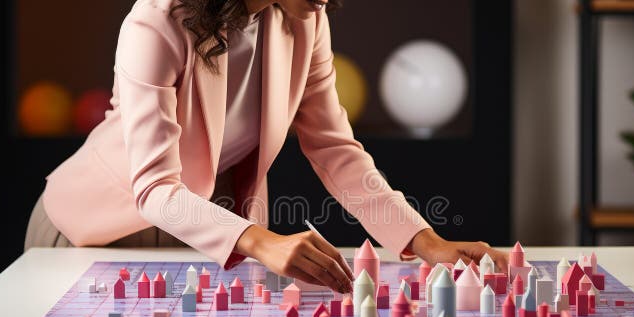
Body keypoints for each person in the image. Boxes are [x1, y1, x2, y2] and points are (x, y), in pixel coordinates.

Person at [25, 0, 508, 294]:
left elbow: (335, 149)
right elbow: (153, 189)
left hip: (206, 232)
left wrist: (426, 242)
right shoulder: (155, 22)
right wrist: (262, 242)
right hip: (92, 232)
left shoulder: (305, 19)